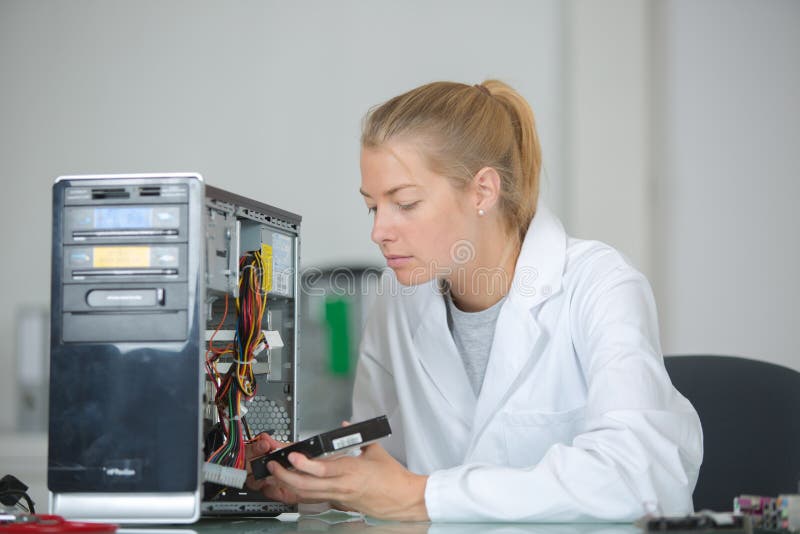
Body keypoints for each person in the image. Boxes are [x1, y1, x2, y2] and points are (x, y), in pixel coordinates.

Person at [247, 80, 703, 522]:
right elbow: (384, 469)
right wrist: (315, 484)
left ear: (482, 190)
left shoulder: (599, 285)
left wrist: (424, 497)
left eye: (405, 203)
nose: (379, 231)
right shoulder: (398, 298)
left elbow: (637, 476)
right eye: (373, 206)